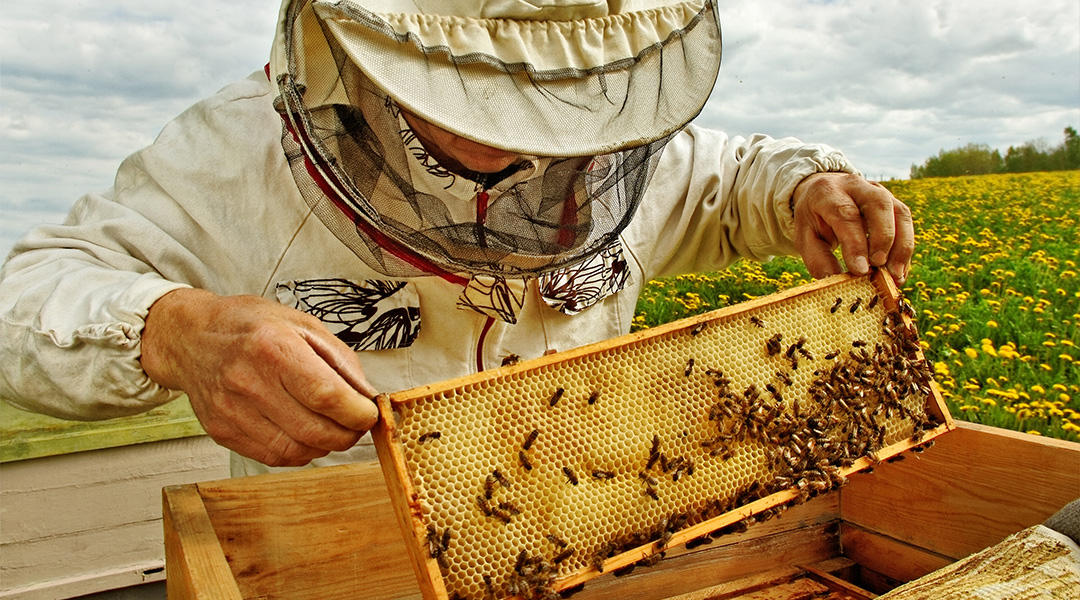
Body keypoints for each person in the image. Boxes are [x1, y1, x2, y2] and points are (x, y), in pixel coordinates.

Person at [0, 0, 913, 477]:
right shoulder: (228, 154)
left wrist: (807, 187)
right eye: (476, 96)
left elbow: (729, 179)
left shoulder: (615, 148)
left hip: (588, 538)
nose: (522, 140)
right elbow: (24, 299)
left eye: (551, 99)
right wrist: (174, 330)